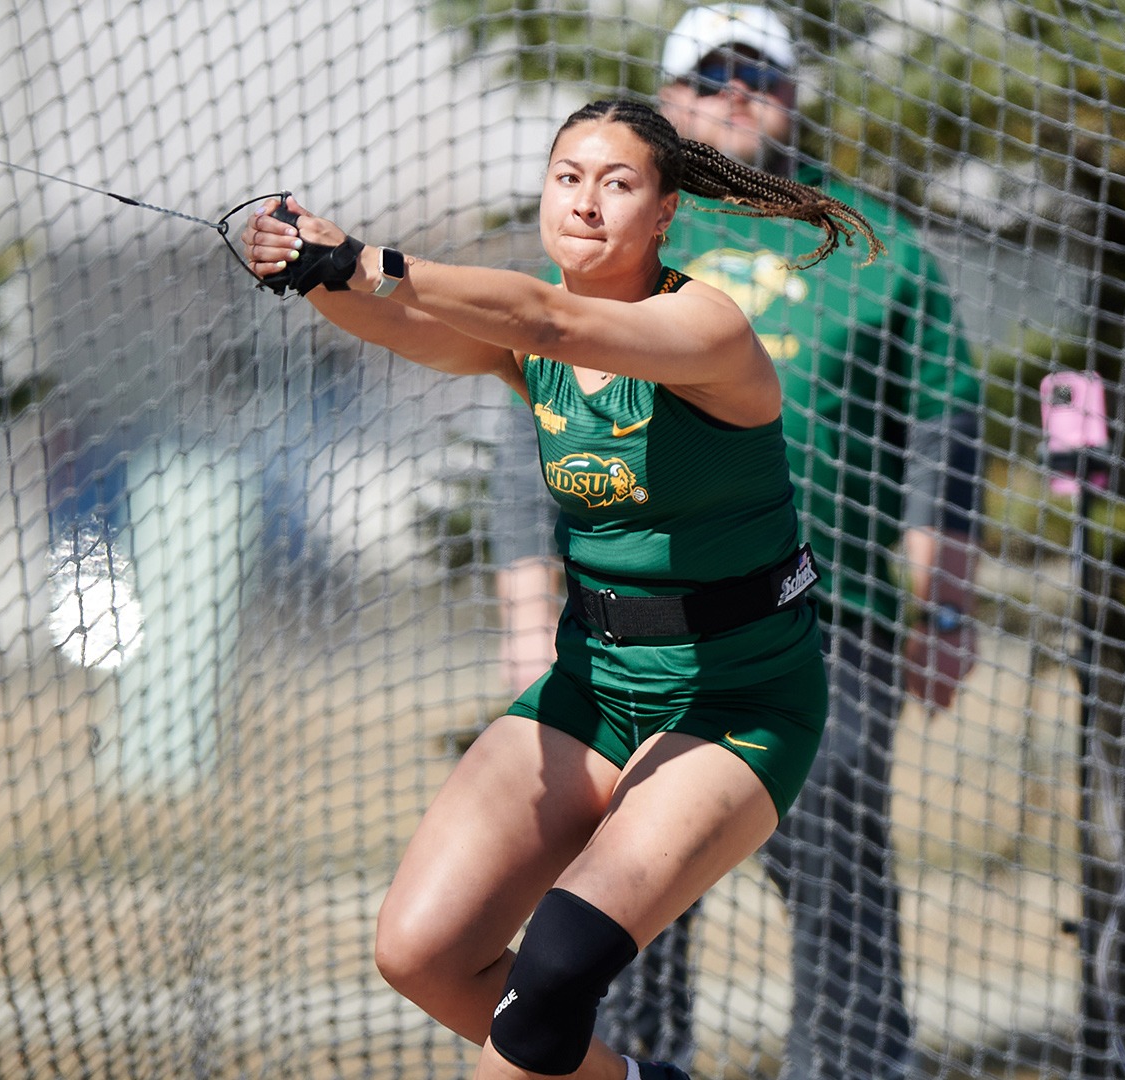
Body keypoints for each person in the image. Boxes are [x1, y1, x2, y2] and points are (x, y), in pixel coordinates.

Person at [240, 98, 881, 1080]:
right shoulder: (530, 338)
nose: (585, 203)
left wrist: (371, 259)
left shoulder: (703, 323)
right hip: (594, 681)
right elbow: (405, 326)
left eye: (617, 184)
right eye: (567, 178)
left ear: (664, 213)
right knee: (420, 953)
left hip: (736, 700)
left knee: (553, 974)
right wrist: (309, 269)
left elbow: (549, 317)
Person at [491, 6, 986, 1079]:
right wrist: (528, 619)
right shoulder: (633, 230)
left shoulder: (872, 245)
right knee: (631, 877)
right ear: (670, 100)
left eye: (757, 73)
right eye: (708, 74)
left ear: (794, 92)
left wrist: (945, 609)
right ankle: (632, 1064)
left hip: (826, 624)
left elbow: (944, 437)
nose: (733, 93)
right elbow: (534, 423)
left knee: (835, 860)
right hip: (638, 630)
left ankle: (852, 1067)